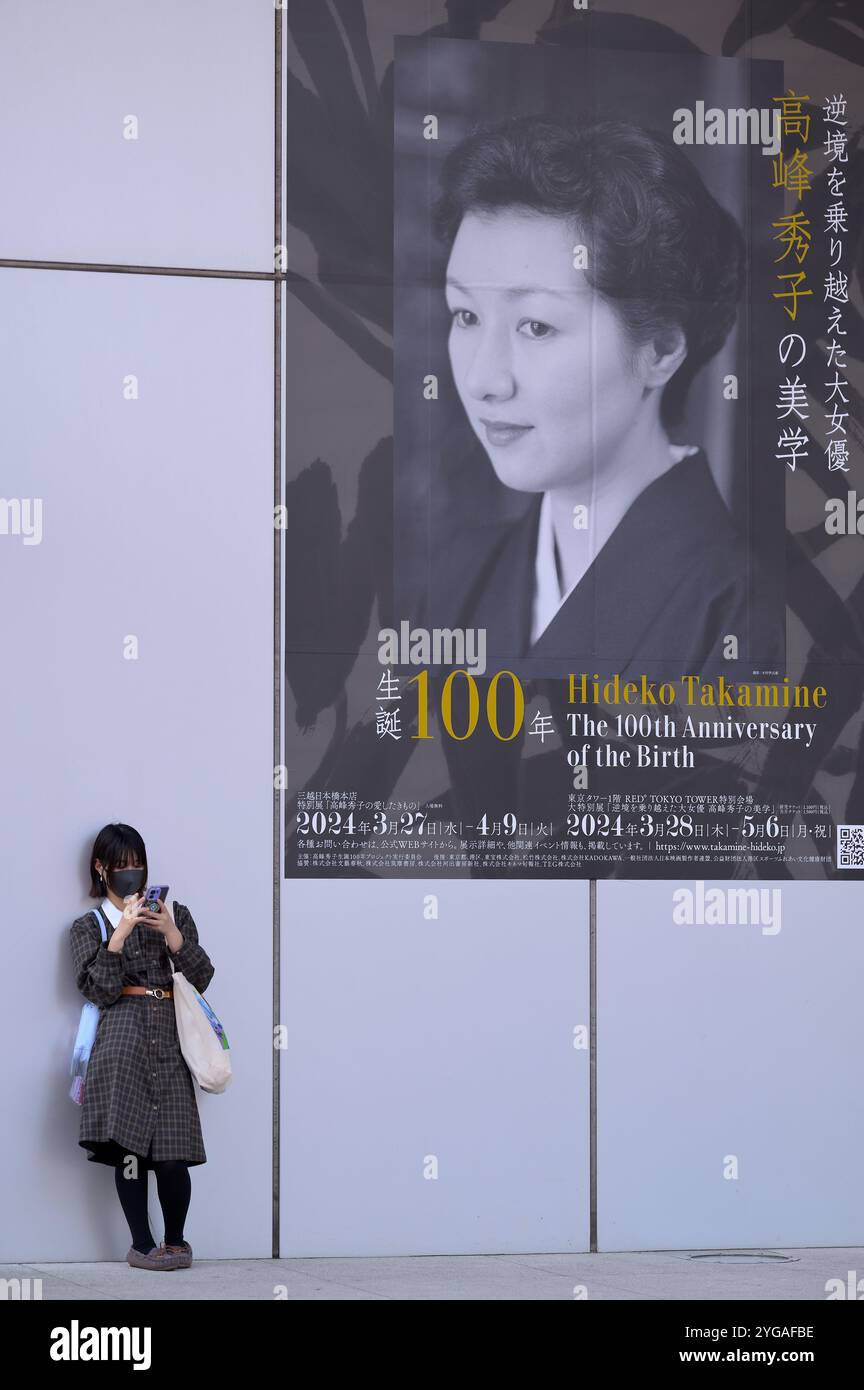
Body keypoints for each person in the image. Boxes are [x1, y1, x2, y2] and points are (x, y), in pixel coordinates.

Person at [428, 113, 784, 679]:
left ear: (661, 348)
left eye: (536, 326)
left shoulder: (744, 610)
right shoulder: (459, 578)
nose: (483, 380)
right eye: (466, 315)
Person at [69, 822, 215, 1271]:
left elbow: (203, 977)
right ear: (101, 868)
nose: (132, 873)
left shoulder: (174, 914)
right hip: (121, 1041)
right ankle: (141, 1244)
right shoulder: (87, 926)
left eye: (138, 865)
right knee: (130, 1150)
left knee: (173, 1151)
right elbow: (98, 991)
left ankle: (177, 1242)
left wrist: (171, 932)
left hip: (169, 1038)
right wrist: (119, 937)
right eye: (121, 866)